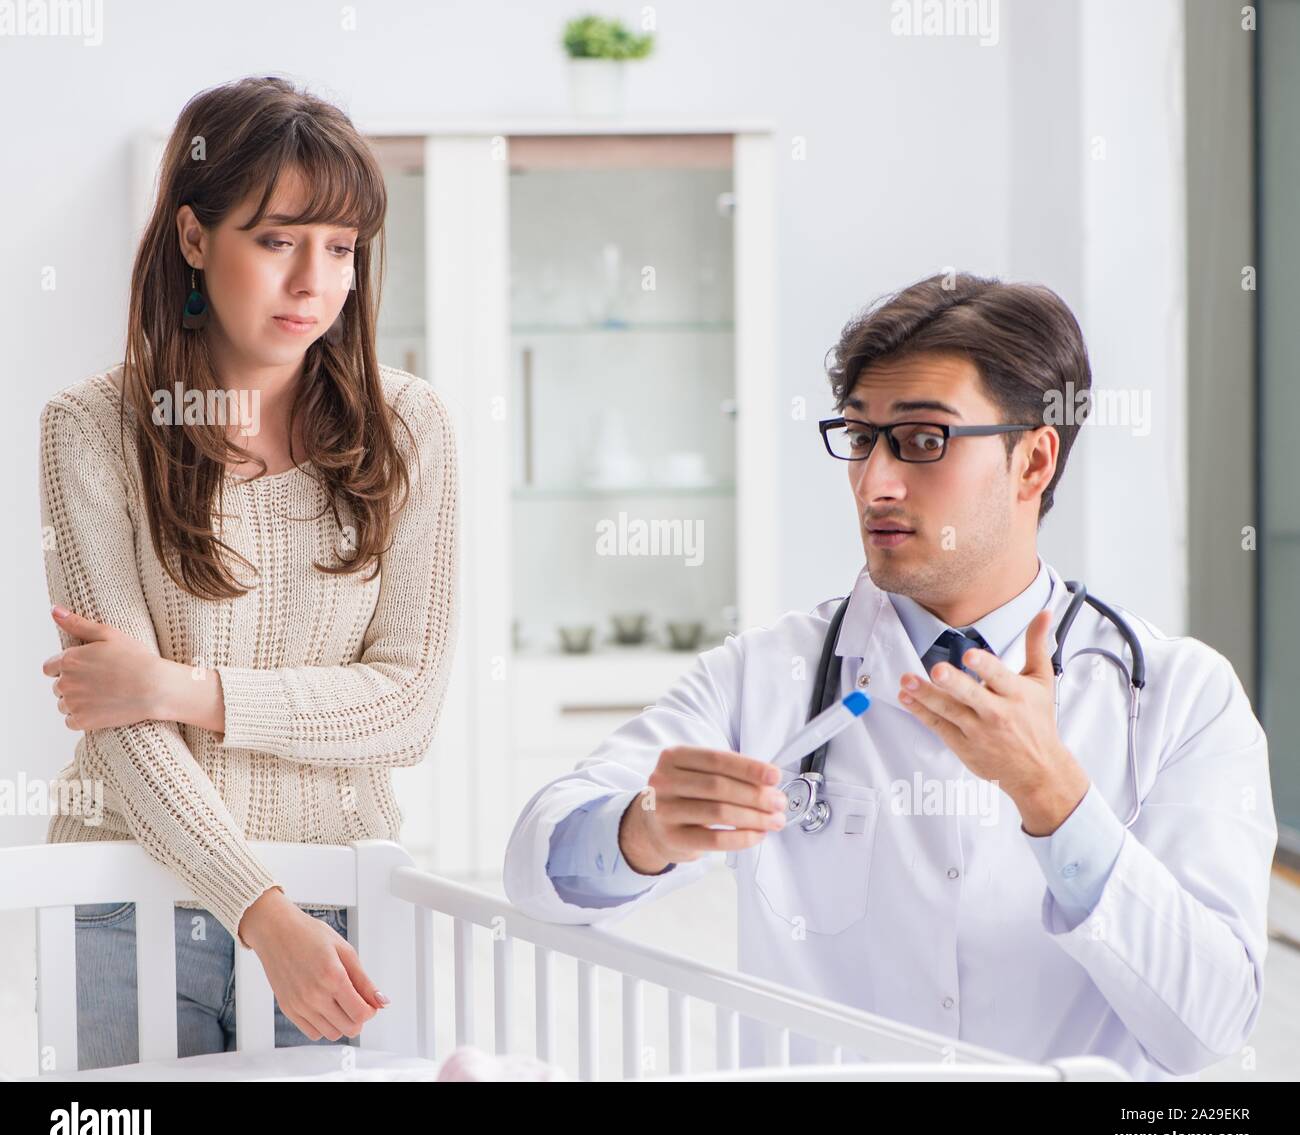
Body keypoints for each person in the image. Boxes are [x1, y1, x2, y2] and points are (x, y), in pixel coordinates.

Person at [503, 272, 1277, 1080]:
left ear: (1033, 460)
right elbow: (535, 866)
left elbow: (1211, 1030)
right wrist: (644, 829)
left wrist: (1056, 799)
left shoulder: (1181, 697)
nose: (875, 481)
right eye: (861, 436)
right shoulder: (764, 674)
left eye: (923, 440)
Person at [38, 75, 459, 1068]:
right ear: (193, 238)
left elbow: (407, 704)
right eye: (276, 240)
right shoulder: (93, 430)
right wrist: (262, 913)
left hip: (340, 886)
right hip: (124, 895)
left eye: (342, 248)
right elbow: (124, 728)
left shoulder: (410, 427)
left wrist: (184, 687)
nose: (314, 280)